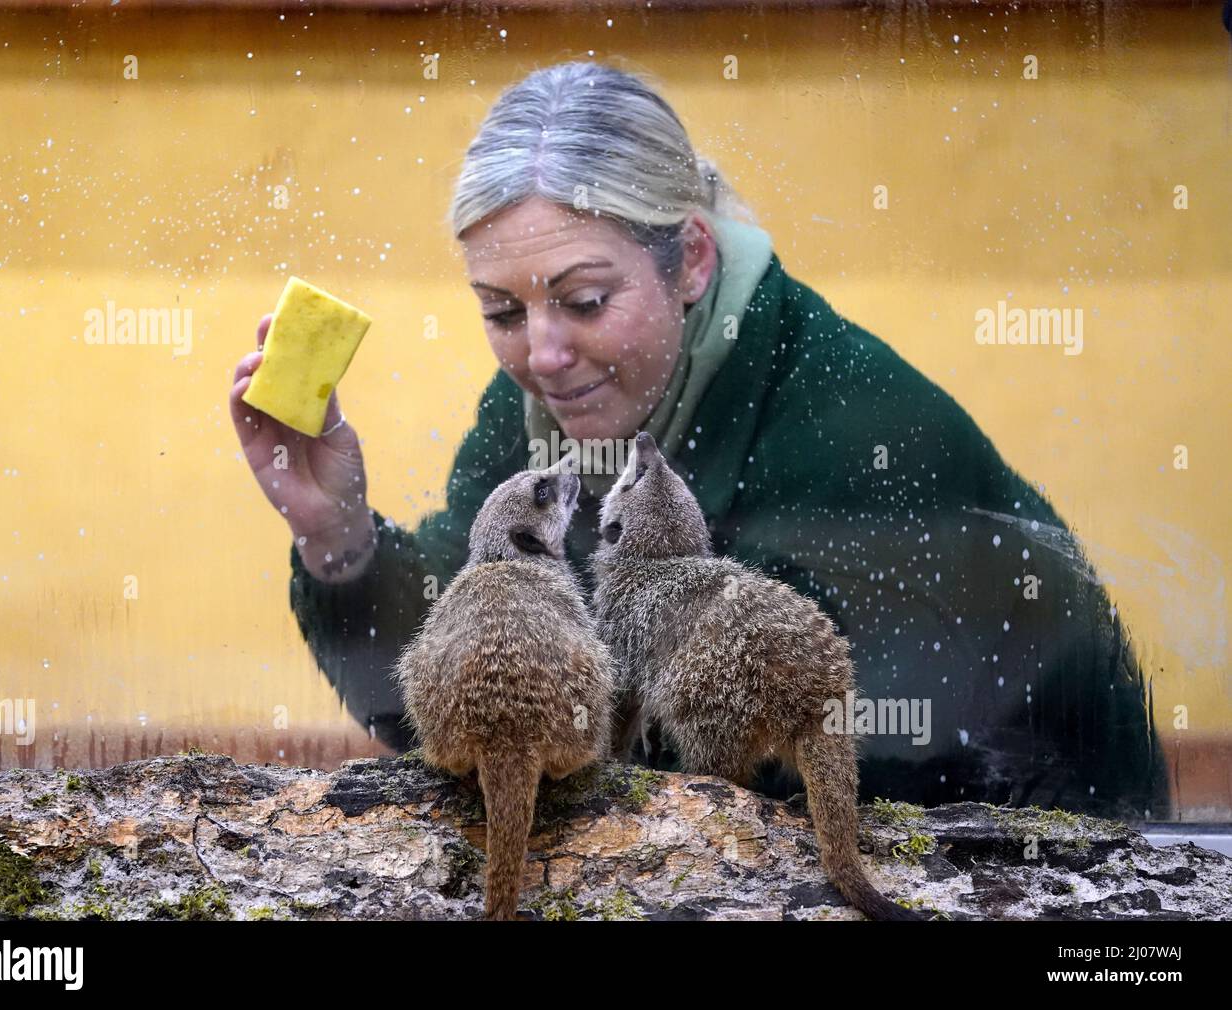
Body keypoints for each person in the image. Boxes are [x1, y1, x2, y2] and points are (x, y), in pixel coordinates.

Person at [230, 61, 1166, 820]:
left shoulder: (858, 434)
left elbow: (799, 784)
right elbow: (477, 703)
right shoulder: (548, 402)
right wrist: (339, 537)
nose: (543, 353)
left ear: (692, 260)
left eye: (585, 300)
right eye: (502, 310)